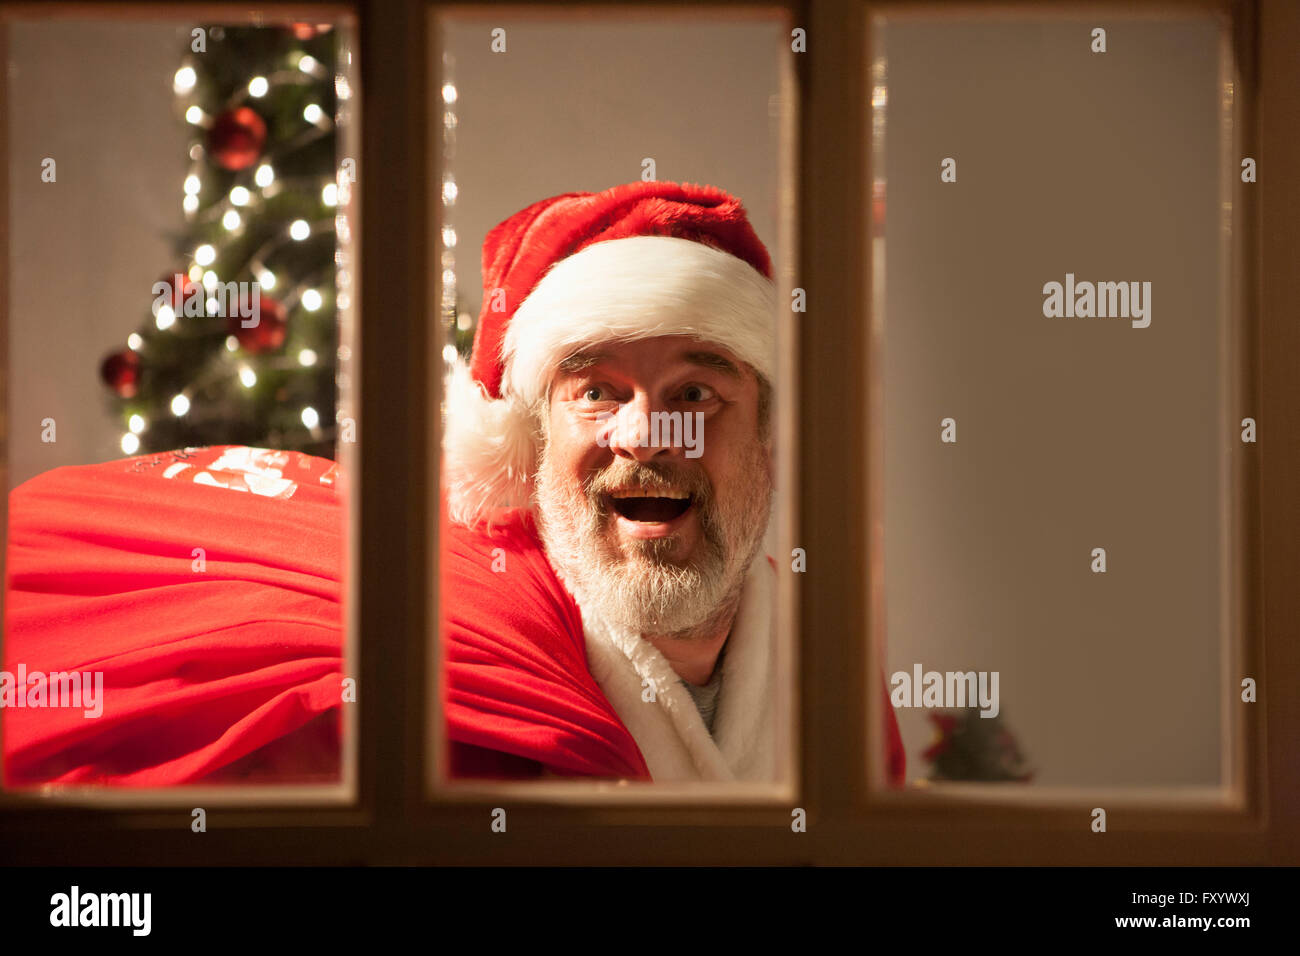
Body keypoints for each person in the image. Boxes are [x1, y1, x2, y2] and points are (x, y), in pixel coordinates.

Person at [440, 180, 906, 784]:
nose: (645, 435)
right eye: (596, 393)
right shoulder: (452, 684)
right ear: (536, 438)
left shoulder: (834, 666)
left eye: (694, 394)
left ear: (769, 437)